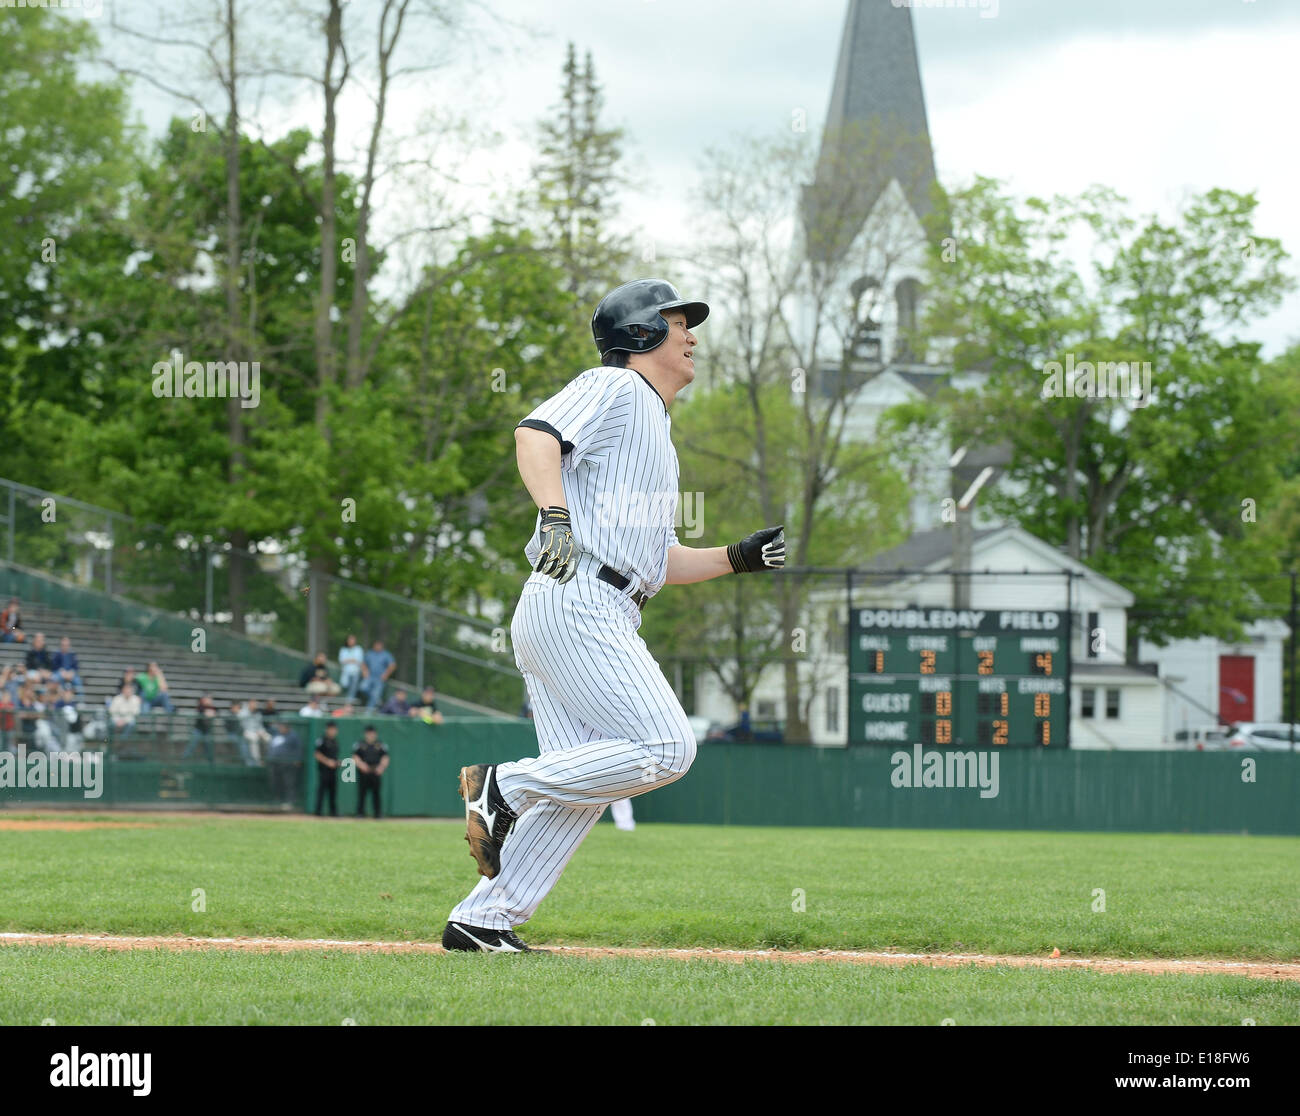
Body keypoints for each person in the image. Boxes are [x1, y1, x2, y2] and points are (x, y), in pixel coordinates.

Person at [443, 278, 785, 953]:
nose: (692, 338)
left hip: (585, 600)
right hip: (578, 597)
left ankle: (484, 919)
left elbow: (655, 560)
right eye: (678, 323)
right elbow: (535, 435)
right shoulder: (620, 388)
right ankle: (502, 785)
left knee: (586, 782)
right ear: (640, 334)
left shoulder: (651, 423)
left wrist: (737, 557)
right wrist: (555, 515)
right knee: (665, 747)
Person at [353, 724, 388, 819]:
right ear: (365, 734)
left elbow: (385, 757)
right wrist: (361, 765)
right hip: (364, 771)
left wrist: (381, 767)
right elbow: (355, 757)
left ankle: (378, 813)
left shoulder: (380, 745)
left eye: (372, 733)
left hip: (375, 771)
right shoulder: (359, 744)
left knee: (376, 794)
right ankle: (360, 813)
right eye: (369, 733)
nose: (371, 735)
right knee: (362, 793)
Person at [267, 721, 303, 804]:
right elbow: (271, 747)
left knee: (289, 783)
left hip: (287, 763)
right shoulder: (276, 735)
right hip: (274, 763)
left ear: (287, 728)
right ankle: (277, 800)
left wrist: (297, 759)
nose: (281, 728)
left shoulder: (293, 736)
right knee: (275, 782)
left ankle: (290, 801)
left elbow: (299, 748)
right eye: (280, 726)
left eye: (283, 727)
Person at [313, 722, 342, 817]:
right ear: (327, 729)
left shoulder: (335, 741)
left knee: (333, 791)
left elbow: (334, 757)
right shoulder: (322, 740)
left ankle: (333, 812)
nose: (333, 731)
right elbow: (317, 754)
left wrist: (337, 762)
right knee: (321, 791)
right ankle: (318, 812)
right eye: (331, 729)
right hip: (324, 770)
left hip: (333, 771)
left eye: (334, 729)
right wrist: (328, 762)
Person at [360, 639, 395, 711]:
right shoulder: (370, 653)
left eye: (379, 645)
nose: (377, 647)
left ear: (382, 646)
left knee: (375, 694)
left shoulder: (386, 654)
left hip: (380, 679)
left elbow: (392, 665)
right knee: (362, 687)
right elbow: (363, 664)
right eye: (376, 645)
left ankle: (368, 712)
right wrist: (364, 671)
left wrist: (386, 674)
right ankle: (377, 700)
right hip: (370, 676)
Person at [183, 694, 220, 762]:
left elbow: (217, 711)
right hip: (198, 730)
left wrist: (211, 712)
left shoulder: (212, 707)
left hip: (207, 731)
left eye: (209, 699)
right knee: (192, 744)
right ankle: (185, 759)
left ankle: (211, 762)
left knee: (208, 746)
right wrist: (208, 712)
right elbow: (201, 710)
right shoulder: (200, 706)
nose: (209, 700)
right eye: (207, 699)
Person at [237, 698, 268, 766]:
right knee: (254, 739)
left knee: (268, 738)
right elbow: (242, 726)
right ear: (250, 703)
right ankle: (257, 762)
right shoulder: (243, 712)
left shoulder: (257, 713)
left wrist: (261, 731)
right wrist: (254, 732)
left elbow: (260, 725)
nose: (255, 705)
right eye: (254, 703)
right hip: (247, 732)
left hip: (257, 731)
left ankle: (268, 759)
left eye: (256, 703)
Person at [337, 634, 364, 703]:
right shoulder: (343, 649)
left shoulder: (358, 649)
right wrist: (352, 660)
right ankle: (345, 699)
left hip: (355, 671)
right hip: (346, 671)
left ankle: (350, 701)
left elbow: (359, 661)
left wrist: (348, 660)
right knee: (345, 685)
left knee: (353, 687)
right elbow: (341, 660)